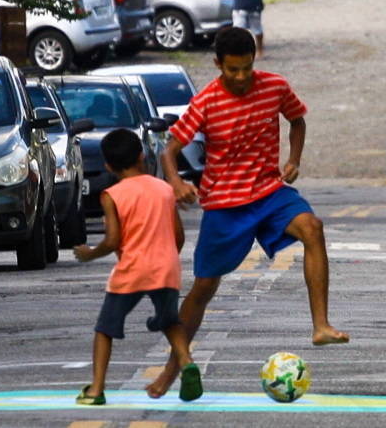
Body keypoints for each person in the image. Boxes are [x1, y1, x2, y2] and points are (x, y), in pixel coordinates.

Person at [145, 25, 348, 399]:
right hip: (225, 204)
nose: (241, 78)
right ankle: (173, 369)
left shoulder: (274, 86)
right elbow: (169, 150)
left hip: (269, 192)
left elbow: (297, 119)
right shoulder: (206, 101)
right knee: (204, 288)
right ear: (218, 64)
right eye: (232, 70)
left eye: (247, 68)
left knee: (313, 227)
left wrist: (295, 159)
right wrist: (176, 182)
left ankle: (320, 325)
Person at [73, 128, 203, 406]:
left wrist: (89, 254)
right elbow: (178, 235)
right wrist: (168, 255)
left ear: (108, 165)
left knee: (105, 328)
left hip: (132, 270)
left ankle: (96, 390)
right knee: (170, 321)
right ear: (142, 156)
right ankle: (187, 361)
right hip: (165, 267)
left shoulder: (111, 195)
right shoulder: (165, 189)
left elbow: (113, 240)